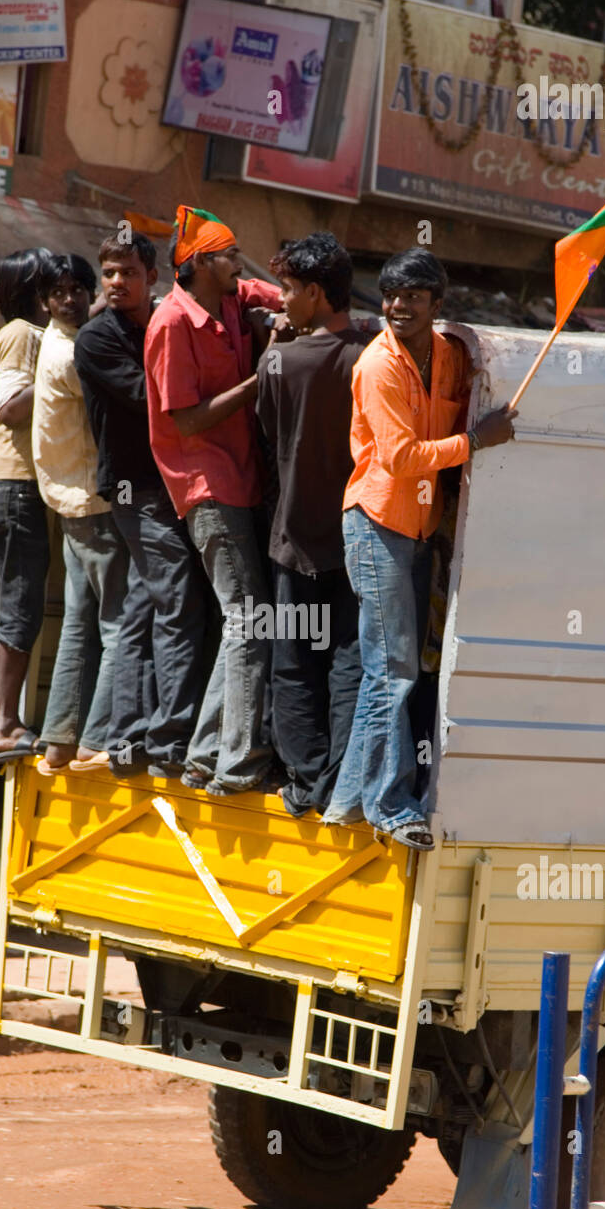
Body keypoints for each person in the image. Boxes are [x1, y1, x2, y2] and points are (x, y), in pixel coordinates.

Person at [323, 248, 516, 849]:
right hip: (378, 521)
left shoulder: (449, 354)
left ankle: (348, 802)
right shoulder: (379, 365)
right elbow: (403, 459)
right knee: (394, 669)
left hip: (416, 529)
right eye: (390, 296)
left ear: (437, 305)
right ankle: (390, 805)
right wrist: (474, 442)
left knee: (390, 668)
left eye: (411, 297)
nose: (397, 307)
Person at [144, 205, 282, 796]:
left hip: (241, 477)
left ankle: (203, 757)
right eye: (229, 254)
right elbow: (187, 418)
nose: (238, 263)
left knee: (242, 623)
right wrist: (259, 380)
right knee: (248, 622)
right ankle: (237, 765)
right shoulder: (171, 324)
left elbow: (279, 294)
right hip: (204, 484)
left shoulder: (229, 294)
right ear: (199, 263)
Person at [74, 229, 209, 778]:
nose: (115, 283)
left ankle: (125, 737)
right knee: (175, 601)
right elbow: (154, 401)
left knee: (142, 606)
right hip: (137, 488)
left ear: (152, 276)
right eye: (108, 273)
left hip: (170, 484)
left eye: (127, 272)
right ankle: (164, 737)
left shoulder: (160, 322)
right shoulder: (97, 337)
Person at [256, 232, 369, 817]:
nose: (281, 300)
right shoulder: (374, 353)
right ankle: (338, 784)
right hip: (362, 536)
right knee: (350, 659)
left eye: (290, 289)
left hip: (295, 540)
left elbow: (270, 434)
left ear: (317, 293)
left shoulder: (279, 360)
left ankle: (305, 784)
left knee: (296, 663)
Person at [31, 252, 134, 775]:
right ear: (44, 301)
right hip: (93, 503)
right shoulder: (71, 353)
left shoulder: (58, 340)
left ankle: (59, 742)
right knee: (117, 621)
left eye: (79, 290)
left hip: (74, 502)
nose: (70, 300)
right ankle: (96, 741)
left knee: (79, 622)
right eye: (59, 293)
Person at [0, 247, 52, 766]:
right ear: (34, 290)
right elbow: (9, 407)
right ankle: (4, 723)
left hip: (3, 486)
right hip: (14, 487)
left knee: (16, 603)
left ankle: (1, 714)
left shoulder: (25, 334)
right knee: (22, 606)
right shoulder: (24, 334)